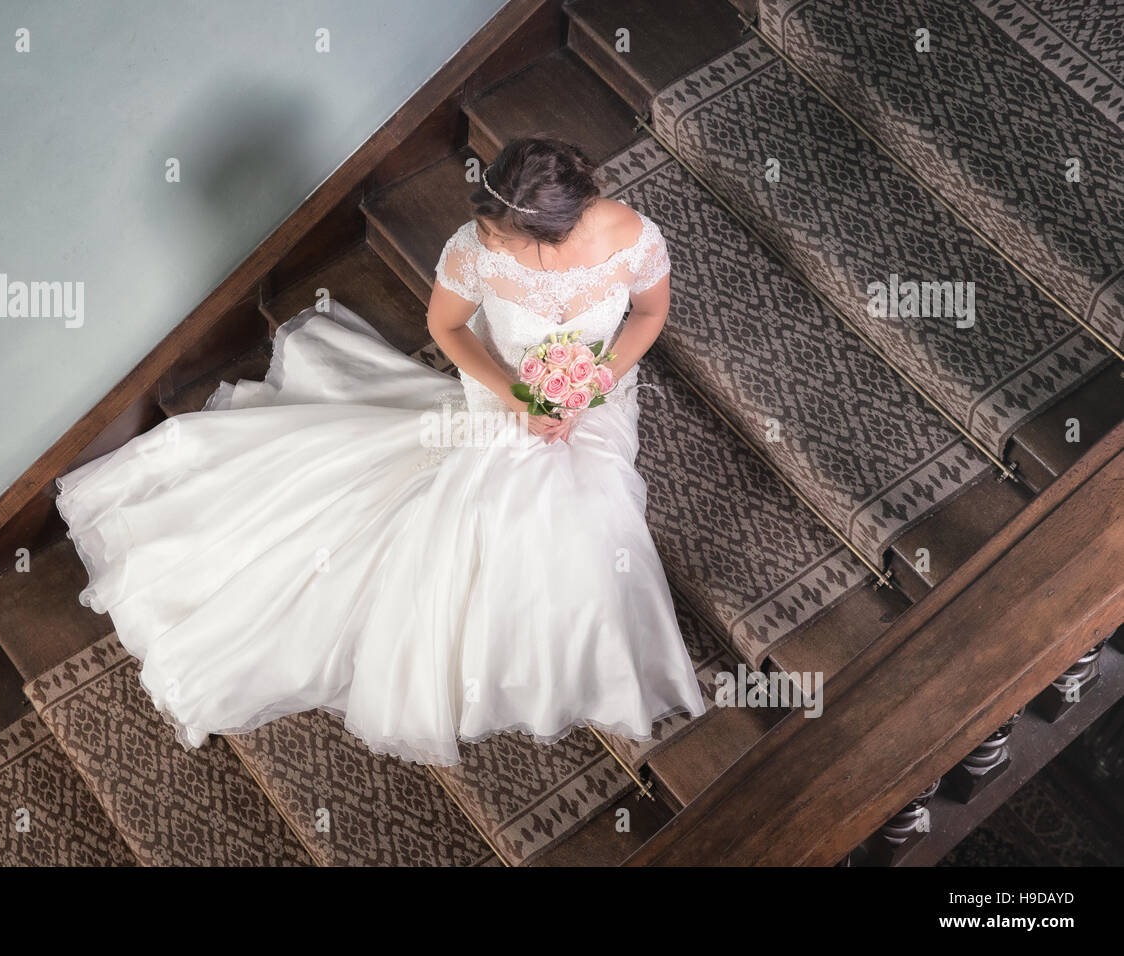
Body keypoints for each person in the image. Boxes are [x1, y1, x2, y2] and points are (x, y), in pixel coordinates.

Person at [55, 137, 705, 766]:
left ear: (558, 227)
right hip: (500, 388)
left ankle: (554, 657)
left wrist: (589, 383)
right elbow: (447, 327)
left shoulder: (632, 237)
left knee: (589, 502)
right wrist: (515, 395)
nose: (493, 238)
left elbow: (647, 317)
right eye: (493, 226)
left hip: (598, 392)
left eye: (508, 233)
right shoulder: (476, 248)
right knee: (501, 496)